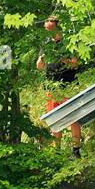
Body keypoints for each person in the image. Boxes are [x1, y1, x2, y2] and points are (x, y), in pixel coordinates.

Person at [36, 16, 82, 157]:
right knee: (55, 118)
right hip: (51, 88)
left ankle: (76, 151)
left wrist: (64, 59)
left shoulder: (68, 43)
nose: (48, 31)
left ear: (57, 27)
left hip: (68, 86)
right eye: (46, 28)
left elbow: (75, 63)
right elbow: (39, 66)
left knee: (73, 118)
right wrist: (41, 60)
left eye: (50, 27)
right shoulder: (46, 44)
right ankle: (57, 152)